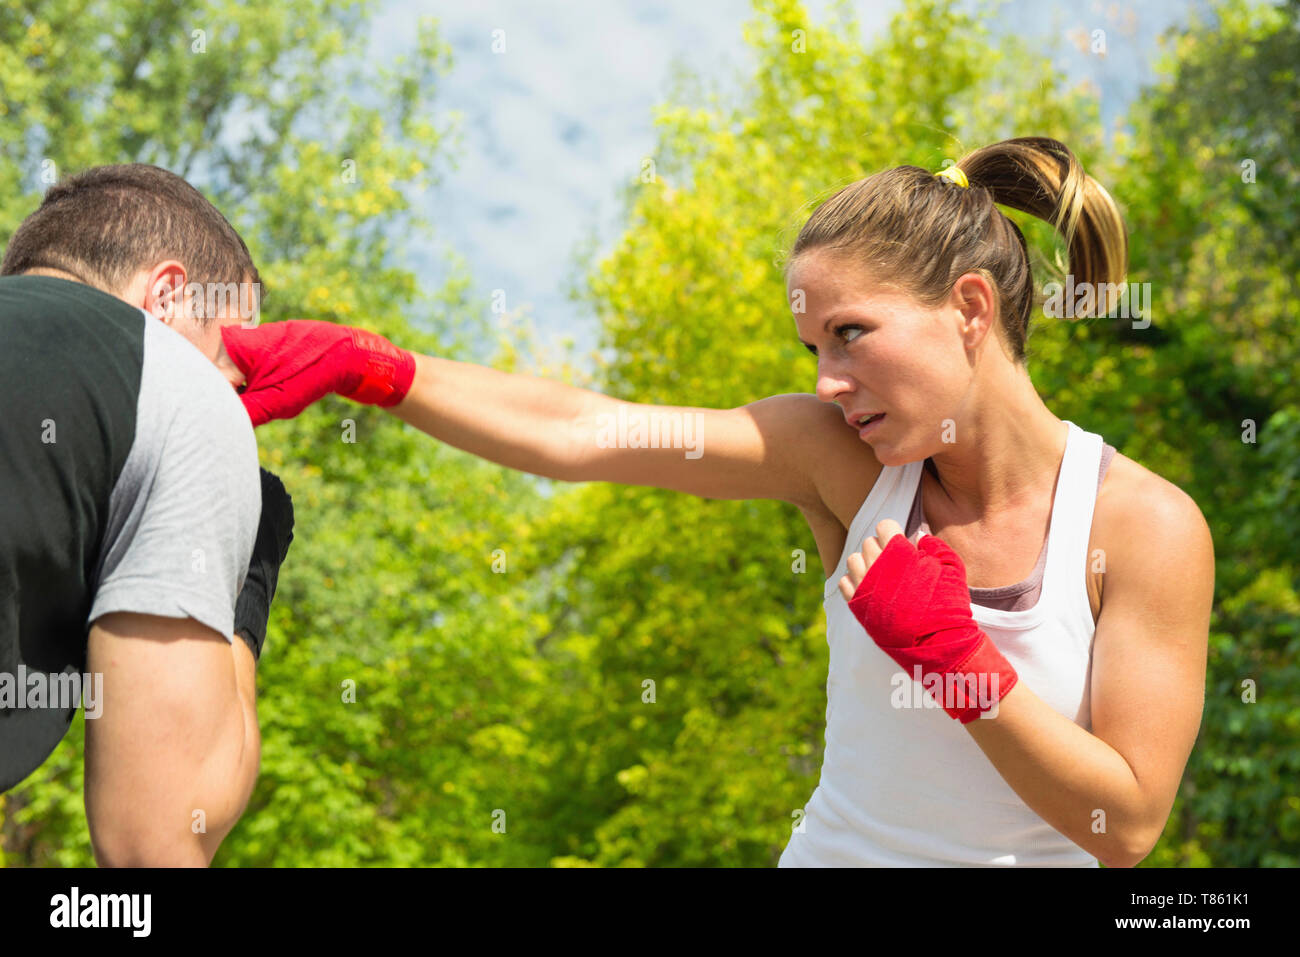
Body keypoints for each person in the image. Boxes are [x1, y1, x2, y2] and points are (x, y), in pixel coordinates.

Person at [221, 137, 1214, 867]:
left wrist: (955, 662)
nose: (827, 380)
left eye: (851, 333)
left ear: (968, 310)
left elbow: (1121, 825)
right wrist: (373, 367)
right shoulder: (839, 460)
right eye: (812, 348)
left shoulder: (1141, 526)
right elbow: (587, 433)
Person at [0, 164, 294, 866]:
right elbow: (154, 842)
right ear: (166, 296)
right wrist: (250, 590)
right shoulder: (181, 383)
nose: (238, 392)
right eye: (237, 359)